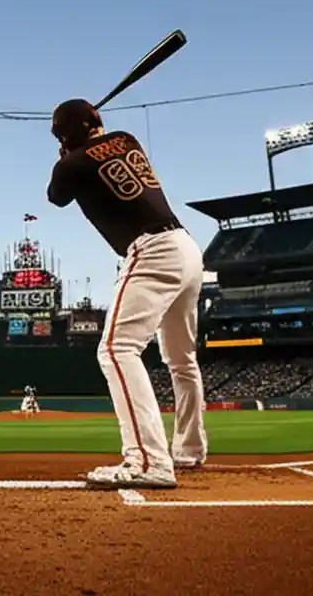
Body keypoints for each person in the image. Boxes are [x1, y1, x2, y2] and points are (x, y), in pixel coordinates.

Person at [47, 98, 206, 490]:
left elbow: (56, 195)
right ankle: (189, 449)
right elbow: (98, 153)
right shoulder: (127, 138)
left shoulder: (71, 163)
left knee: (115, 350)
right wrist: (76, 137)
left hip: (151, 251)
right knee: (182, 360)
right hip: (187, 248)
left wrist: (65, 152)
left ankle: (148, 460)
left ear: (66, 136)